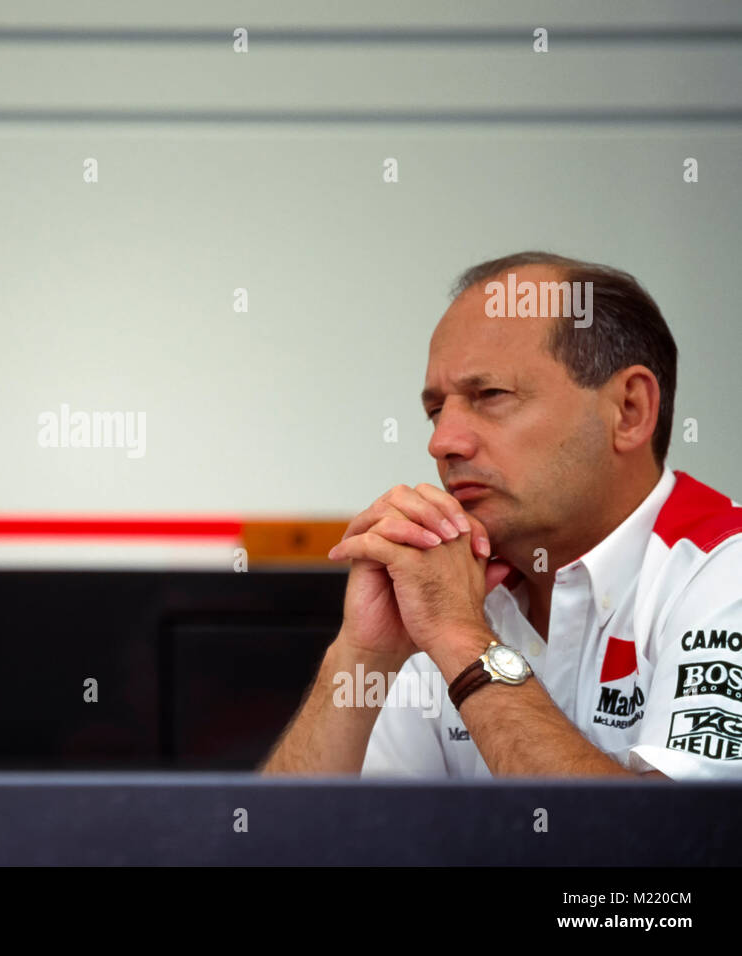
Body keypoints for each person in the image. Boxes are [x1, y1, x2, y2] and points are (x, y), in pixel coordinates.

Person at [264, 251, 742, 779]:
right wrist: (360, 653)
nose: (441, 441)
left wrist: (462, 639)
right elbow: (271, 850)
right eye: (435, 410)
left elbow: (674, 847)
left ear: (628, 410)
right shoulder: (444, 588)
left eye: (489, 395)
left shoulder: (724, 573)